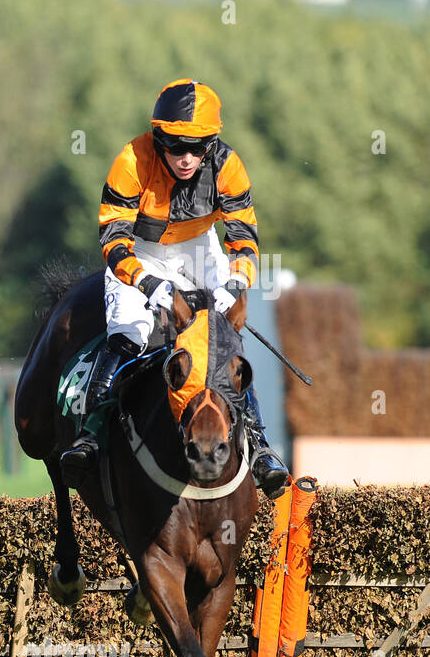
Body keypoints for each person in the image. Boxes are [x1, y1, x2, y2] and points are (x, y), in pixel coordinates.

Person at [59, 78, 289, 499]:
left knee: (225, 338)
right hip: (139, 251)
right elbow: (113, 239)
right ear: (157, 136)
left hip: (198, 248)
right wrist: (147, 283)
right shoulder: (131, 159)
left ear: (212, 144)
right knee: (129, 332)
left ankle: (259, 446)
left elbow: (244, 238)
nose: (187, 158)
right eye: (176, 146)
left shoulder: (228, 164)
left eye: (197, 148)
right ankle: (89, 435)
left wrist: (236, 281)